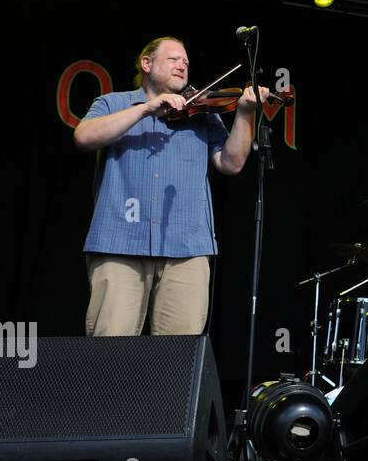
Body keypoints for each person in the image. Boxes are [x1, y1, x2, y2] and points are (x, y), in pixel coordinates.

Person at [74, 36, 269, 336]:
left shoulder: (203, 114)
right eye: (174, 59)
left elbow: (231, 164)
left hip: (187, 248)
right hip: (119, 242)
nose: (183, 66)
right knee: (109, 351)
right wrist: (145, 109)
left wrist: (244, 111)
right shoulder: (113, 103)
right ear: (147, 63)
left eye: (186, 63)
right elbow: (84, 137)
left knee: (178, 359)